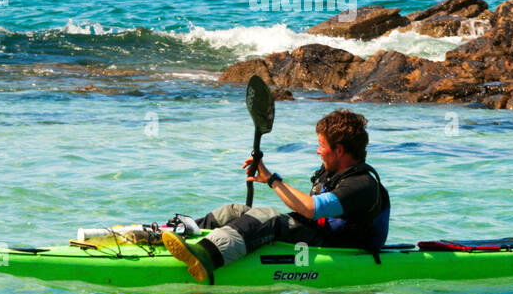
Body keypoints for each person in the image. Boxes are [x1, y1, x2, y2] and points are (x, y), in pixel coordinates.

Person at [161, 109, 391, 282]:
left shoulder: (362, 185)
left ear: (339, 150)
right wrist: (266, 176)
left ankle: (205, 256)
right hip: (317, 234)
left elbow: (311, 208)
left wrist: (272, 180)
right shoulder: (330, 172)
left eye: (322, 145)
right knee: (234, 211)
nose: (318, 151)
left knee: (268, 216)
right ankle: (170, 235)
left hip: (339, 249)